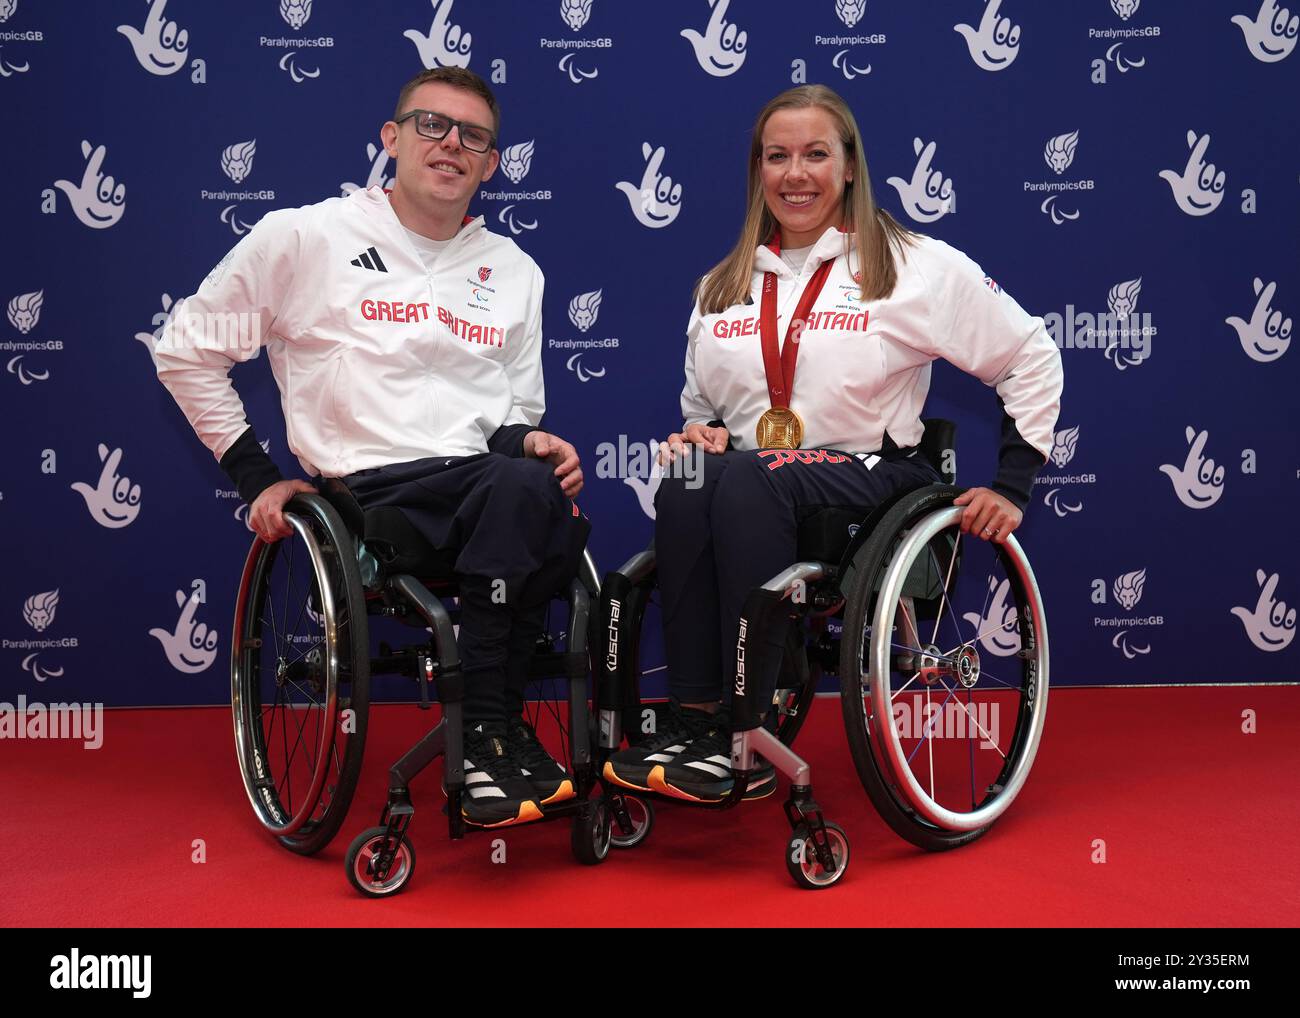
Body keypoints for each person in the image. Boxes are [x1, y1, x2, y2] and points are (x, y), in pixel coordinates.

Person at [154, 67, 588, 829]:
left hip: (487, 486)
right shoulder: (306, 236)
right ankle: (490, 731)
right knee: (523, 496)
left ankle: (505, 736)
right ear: (391, 139)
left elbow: (513, 413)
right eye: (431, 125)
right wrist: (257, 475)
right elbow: (186, 350)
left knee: (533, 486)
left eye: (473, 136)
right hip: (372, 497)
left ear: (492, 164)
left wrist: (534, 439)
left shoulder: (516, 270)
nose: (450, 144)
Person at [604, 84, 1063, 804]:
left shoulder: (913, 266)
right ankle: (695, 722)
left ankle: (747, 715)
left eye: (816, 154)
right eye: (777, 156)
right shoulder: (721, 286)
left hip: (872, 476)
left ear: (849, 166)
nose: (796, 174)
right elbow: (705, 410)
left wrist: (1012, 482)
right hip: (756, 477)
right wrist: (703, 434)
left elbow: (1030, 353)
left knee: (753, 478)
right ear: (758, 169)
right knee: (691, 475)